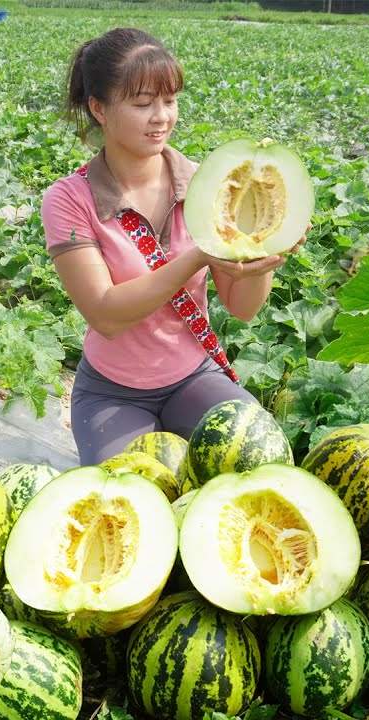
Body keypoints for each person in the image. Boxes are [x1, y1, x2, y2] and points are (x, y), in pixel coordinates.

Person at [41, 27, 303, 466]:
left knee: (261, 464)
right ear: (98, 108)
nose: (161, 116)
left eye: (170, 100)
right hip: (112, 393)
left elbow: (242, 308)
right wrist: (198, 252)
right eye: (143, 104)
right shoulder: (69, 199)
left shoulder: (209, 185)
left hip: (193, 377)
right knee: (132, 499)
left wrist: (264, 255)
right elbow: (105, 314)